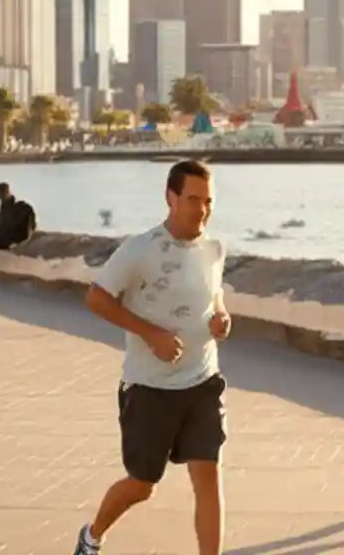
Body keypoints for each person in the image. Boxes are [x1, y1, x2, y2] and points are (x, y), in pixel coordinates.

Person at [73, 160, 233, 555]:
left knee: (208, 477)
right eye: (193, 199)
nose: (202, 209)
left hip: (202, 381)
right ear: (170, 198)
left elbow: (214, 296)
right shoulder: (139, 249)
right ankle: (92, 535)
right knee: (143, 485)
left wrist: (220, 317)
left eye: (208, 201)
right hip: (149, 389)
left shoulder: (214, 249)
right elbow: (97, 298)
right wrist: (151, 334)